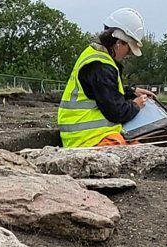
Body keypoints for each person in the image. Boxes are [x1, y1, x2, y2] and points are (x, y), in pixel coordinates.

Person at [58, 8, 156, 148]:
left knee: (136, 146)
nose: (129, 54)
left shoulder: (96, 56)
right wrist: (136, 105)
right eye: (129, 49)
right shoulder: (102, 66)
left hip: (87, 134)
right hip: (86, 138)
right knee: (127, 149)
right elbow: (116, 112)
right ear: (119, 42)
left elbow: (106, 91)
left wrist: (133, 92)